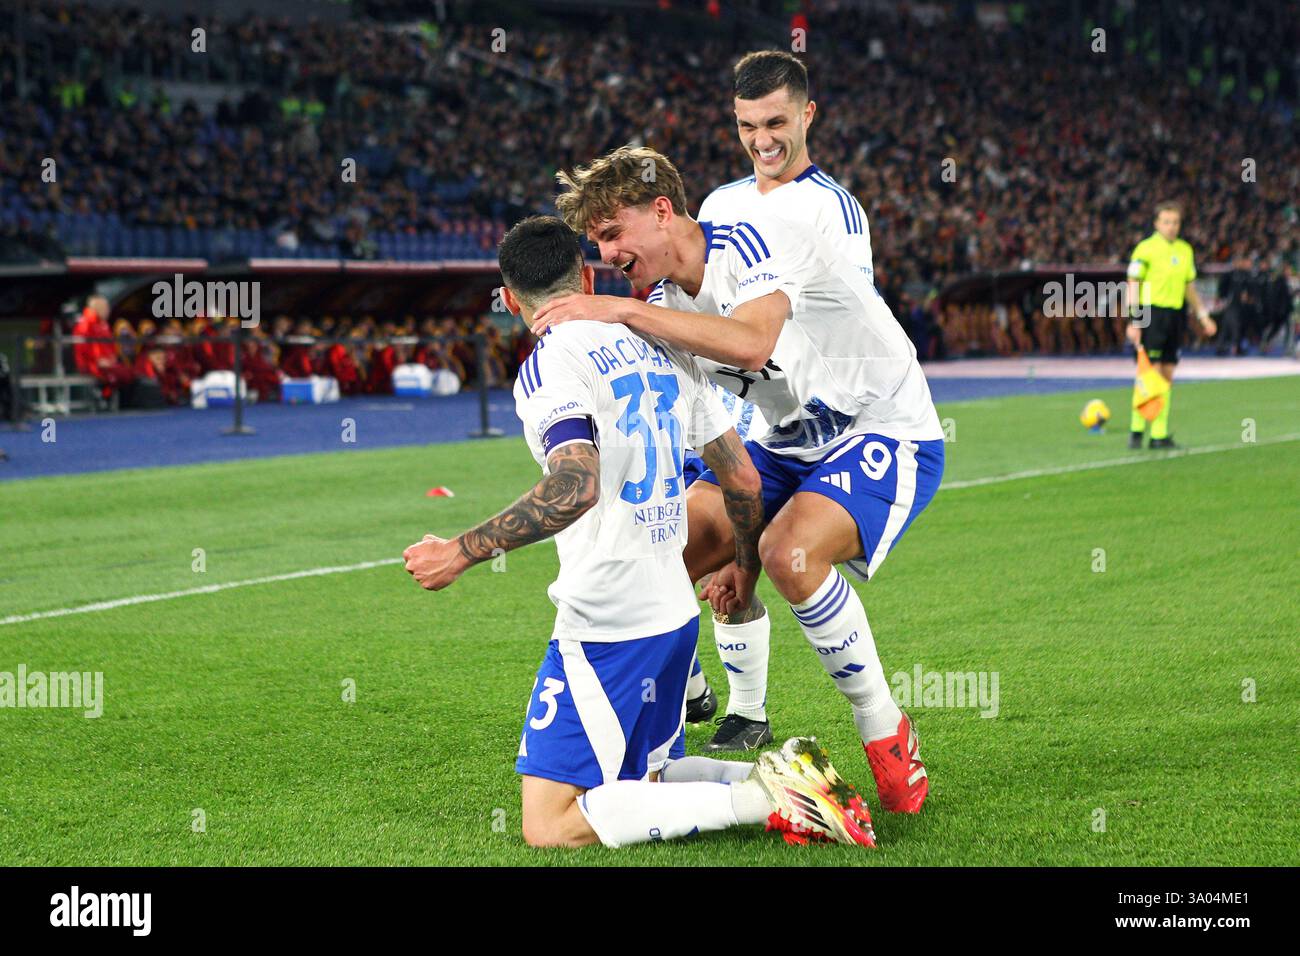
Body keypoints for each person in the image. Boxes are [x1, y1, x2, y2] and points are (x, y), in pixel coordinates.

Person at [402, 216, 875, 849]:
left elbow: (575, 486)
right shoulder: (660, 343)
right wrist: (739, 562)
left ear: (511, 300)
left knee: (549, 824)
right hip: (674, 610)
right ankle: (787, 776)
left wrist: (460, 551)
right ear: (588, 276)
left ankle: (769, 802)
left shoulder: (551, 364)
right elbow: (740, 477)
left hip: (606, 618)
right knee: (648, 774)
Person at [533, 146, 943, 815]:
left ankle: (884, 727)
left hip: (882, 425)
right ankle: (657, 745)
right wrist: (737, 572)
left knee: (793, 554)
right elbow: (731, 461)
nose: (606, 254)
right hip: (783, 442)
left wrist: (621, 313)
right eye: (597, 241)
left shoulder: (748, 239)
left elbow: (752, 343)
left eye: (613, 233)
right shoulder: (665, 306)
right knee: (664, 546)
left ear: (662, 211)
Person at [676, 50, 880, 751]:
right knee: (673, 554)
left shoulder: (833, 210)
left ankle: (764, 709)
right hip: (733, 412)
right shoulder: (720, 205)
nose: (763, 139)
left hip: (810, 422)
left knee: (772, 553)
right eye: (747, 125)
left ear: (808, 115)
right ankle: (713, 698)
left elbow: (839, 325)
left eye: (776, 122)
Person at [1124, 201, 1217, 449]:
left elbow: (1190, 288)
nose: (1171, 226)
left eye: (1175, 222)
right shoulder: (1145, 249)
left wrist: (1203, 316)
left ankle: (1158, 435)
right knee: (1149, 373)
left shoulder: (1185, 250)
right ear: (1156, 223)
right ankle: (1136, 430)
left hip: (1176, 315)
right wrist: (1134, 320)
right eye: (1166, 221)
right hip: (1151, 313)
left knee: (1167, 374)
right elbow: (1133, 284)